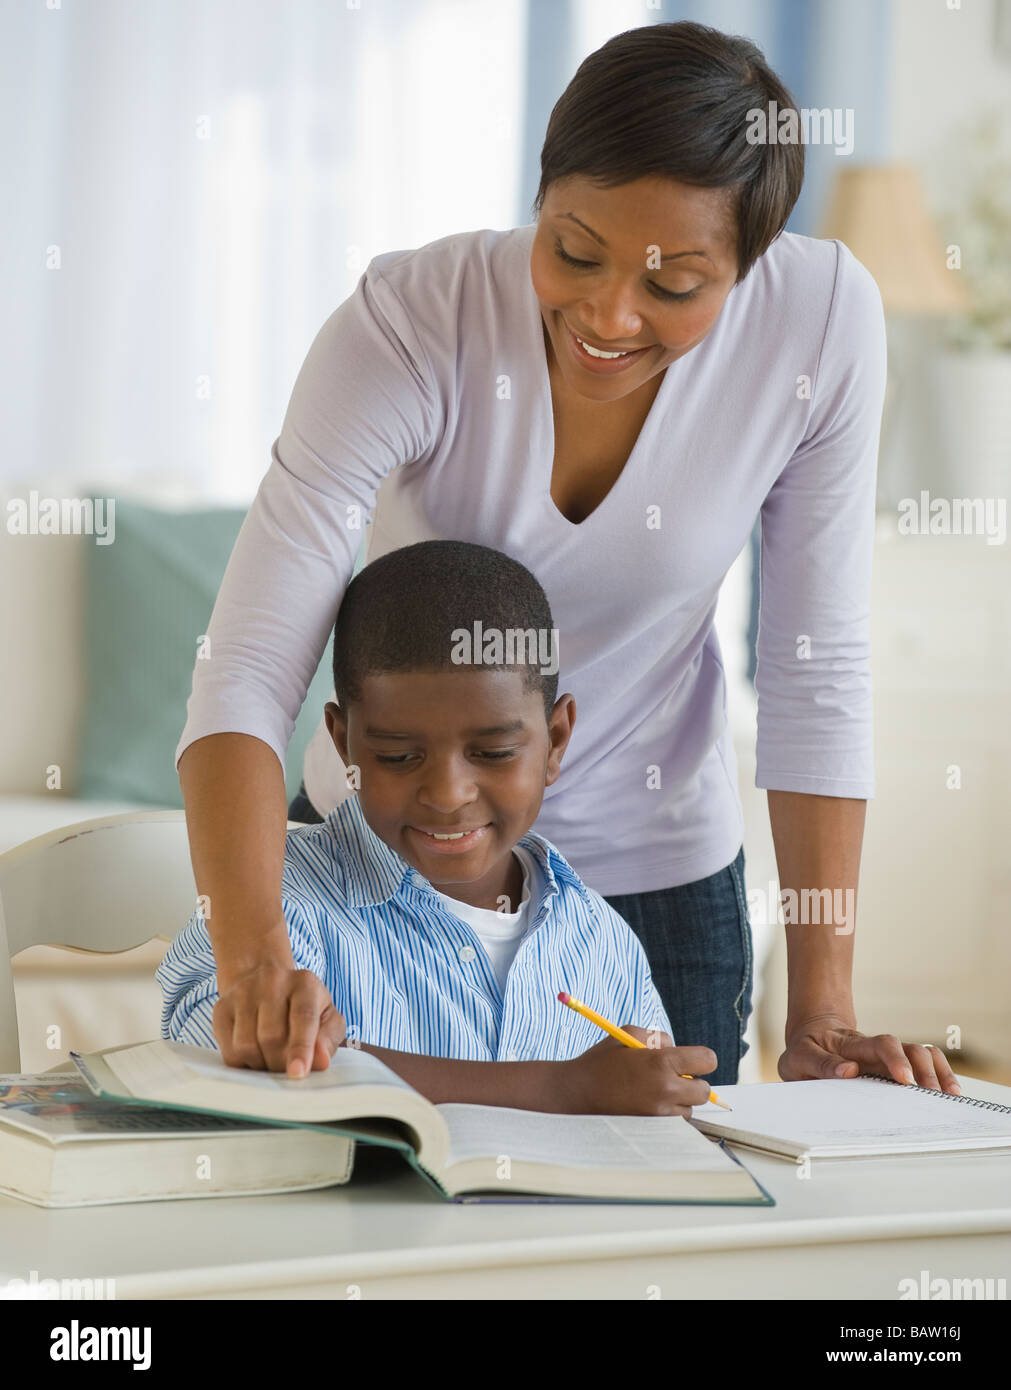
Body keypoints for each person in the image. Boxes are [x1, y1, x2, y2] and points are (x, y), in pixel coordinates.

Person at [174, 20, 959, 1094]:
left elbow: (816, 666)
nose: (607, 313)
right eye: (575, 251)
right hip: (386, 865)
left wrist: (821, 1009)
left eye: (675, 284)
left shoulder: (820, 327)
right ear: (539, 194)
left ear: (751, 267)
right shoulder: (412, 326)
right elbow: (249, 670)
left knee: (652, 1241)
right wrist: (255, 949)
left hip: (657, 876)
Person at [158, 542, 715, 1117]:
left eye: (495, 752)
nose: (448, 795)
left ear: (556, 740)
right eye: (399, 757)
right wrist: (563, 1090)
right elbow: (209, 1065)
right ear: (342, 741)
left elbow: (653, 1109)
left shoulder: (601, 941)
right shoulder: (267, 908)